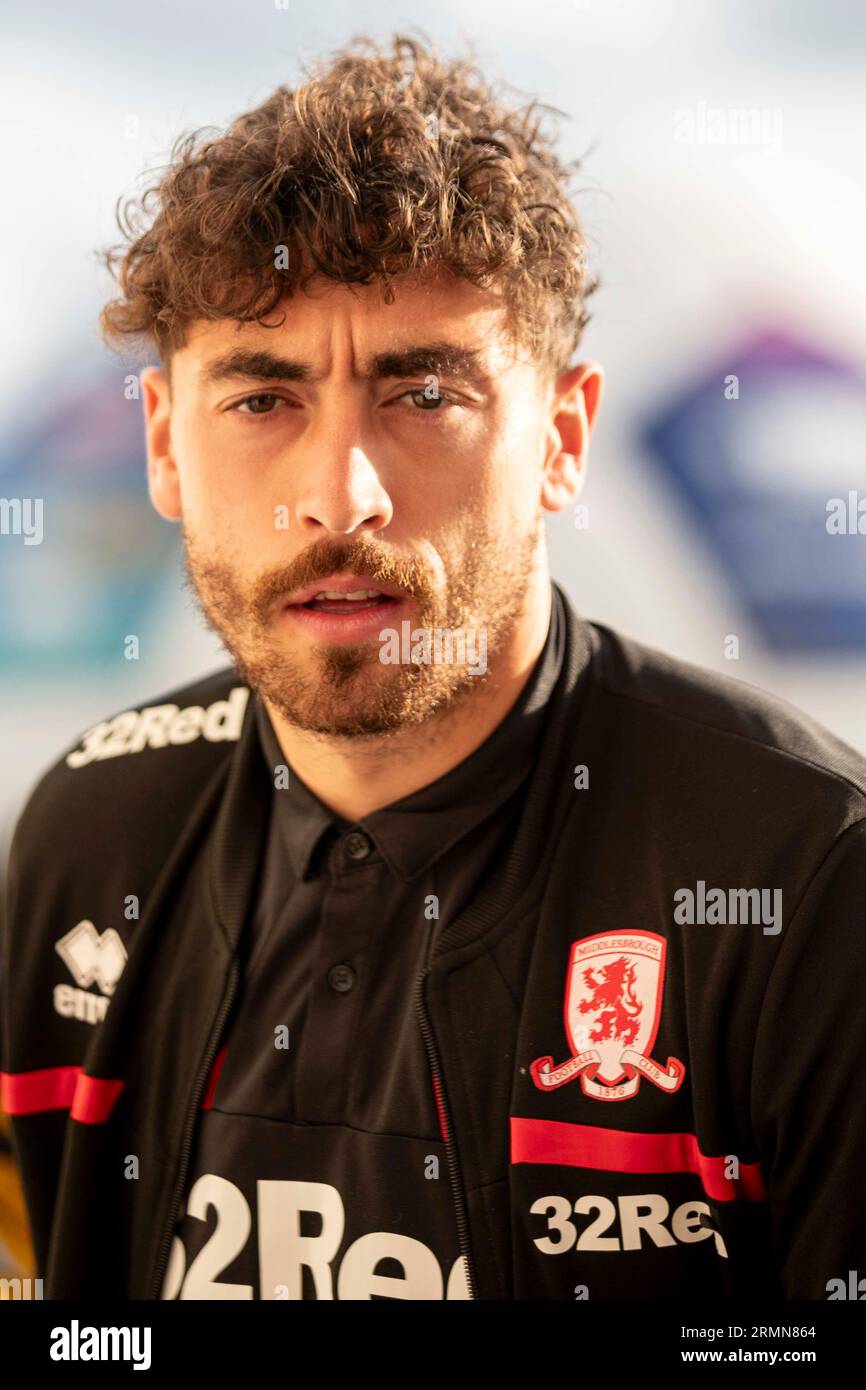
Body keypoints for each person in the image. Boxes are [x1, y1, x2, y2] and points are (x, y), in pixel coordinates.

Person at [2, 31, 865, 1301]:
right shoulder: (95, 832)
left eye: (422, 394)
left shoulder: (804, 876)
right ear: (165, 448)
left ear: (562, 438)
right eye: (262, 399)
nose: (339, 498)